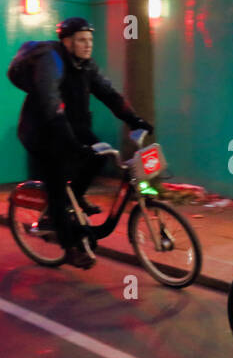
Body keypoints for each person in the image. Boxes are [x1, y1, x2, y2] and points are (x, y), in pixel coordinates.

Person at [17, 17, 153, 268]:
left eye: (90, 40)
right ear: (67, 42)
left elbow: (109, 95)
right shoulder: (52, 61)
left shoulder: (86, 66)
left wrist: (135, 120)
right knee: (57, 183)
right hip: (43, 131)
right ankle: (70, 247)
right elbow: (51, 104)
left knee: (100, 156)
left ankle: (75, 197)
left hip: (72, 127)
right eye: (81, 40)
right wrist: (70, 144)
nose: (88, 45)